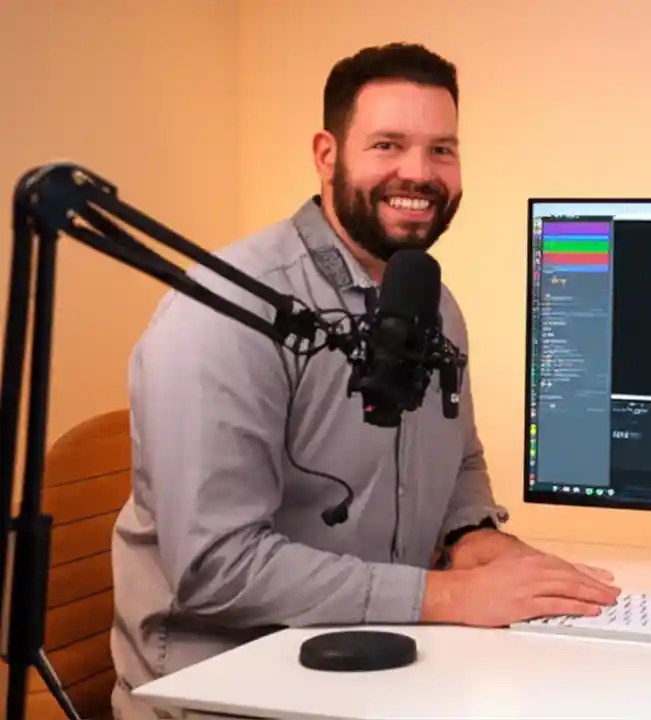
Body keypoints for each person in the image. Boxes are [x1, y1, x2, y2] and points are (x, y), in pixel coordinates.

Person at [110, 43, 619, 719]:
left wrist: (483, 546)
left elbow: (456, 461)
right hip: (227, 690)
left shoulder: (430, 301)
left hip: (381, 665)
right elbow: (217, 568)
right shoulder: (225, 310)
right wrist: (447, 597)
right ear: (327, 155)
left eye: (442, 149)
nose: (420, 172)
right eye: (388, 144)